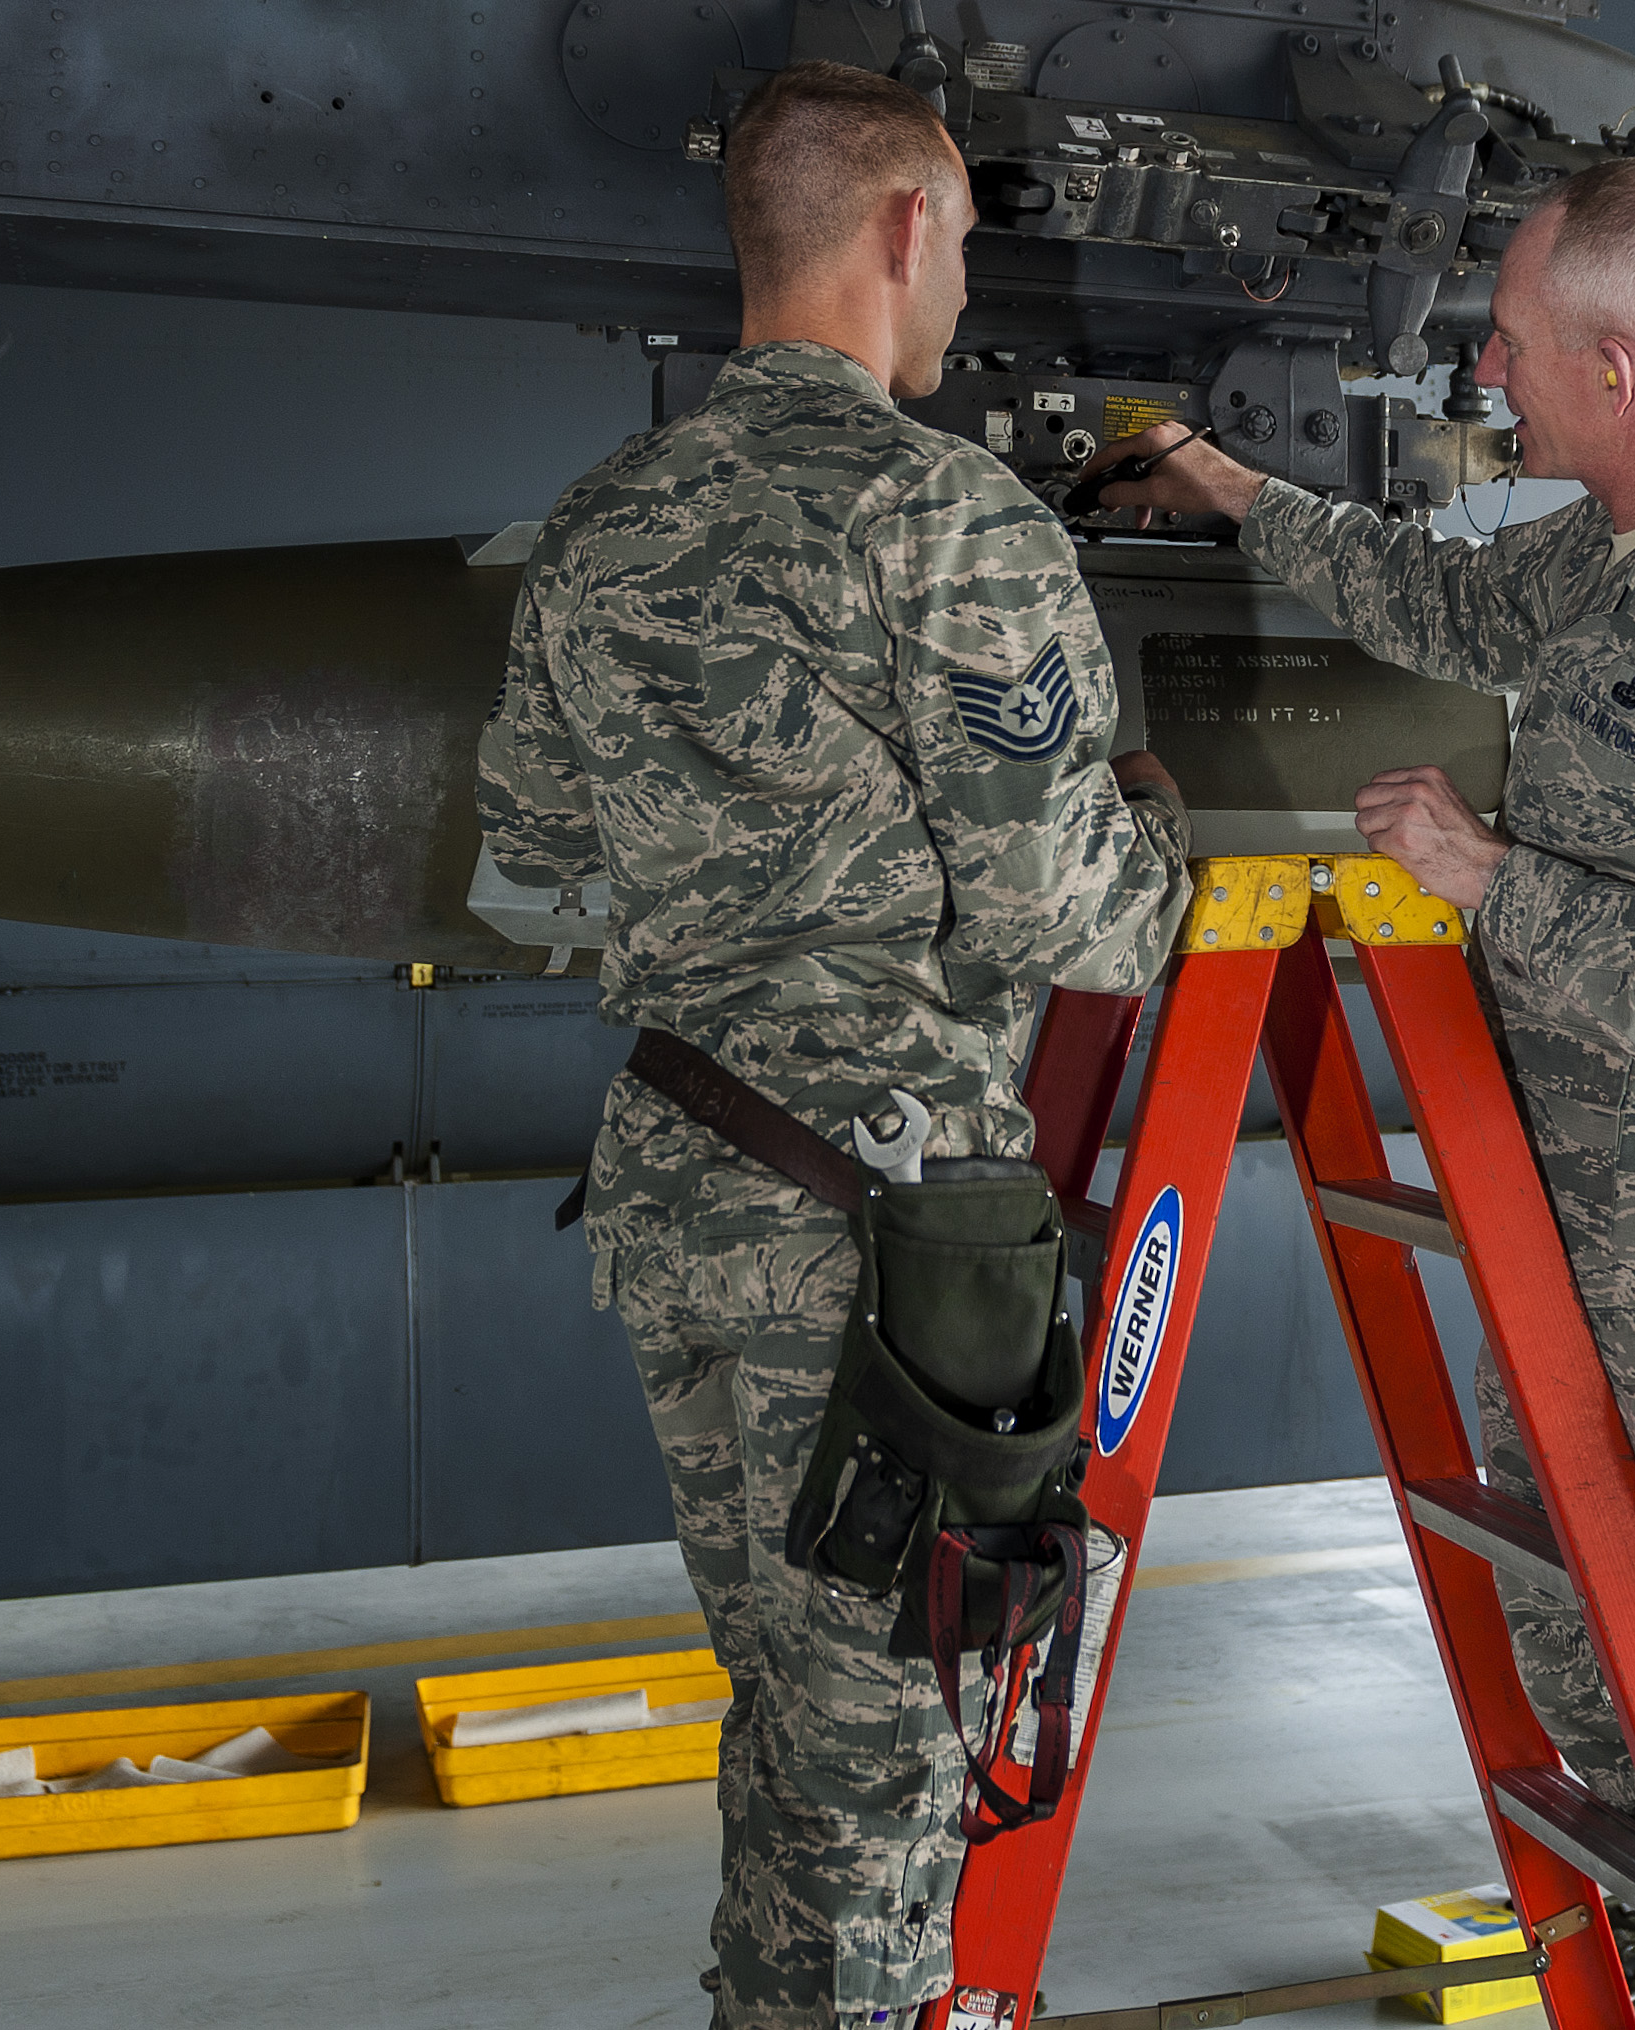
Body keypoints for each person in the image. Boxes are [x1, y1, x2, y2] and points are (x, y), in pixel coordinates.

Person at [1095, 153, 1635, 2027]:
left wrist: (1495, 886)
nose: (1489, 376)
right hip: (1562, 1209)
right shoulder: (1618, 546)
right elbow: (1436, 608)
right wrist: (1227, 490)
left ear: (1620, 372)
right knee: (1568, 1610)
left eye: (1517, 344)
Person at [476, 59, 1192, 2030]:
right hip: (868, 1258)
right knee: (887, 1760)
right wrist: (1153, 821)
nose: (957, 279)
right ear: (897, 232)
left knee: (790, 1724)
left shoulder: (598, 524)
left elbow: (529, 869)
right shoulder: (946, 521)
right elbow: (1081, 921)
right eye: (956, 237)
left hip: (684, 1203)